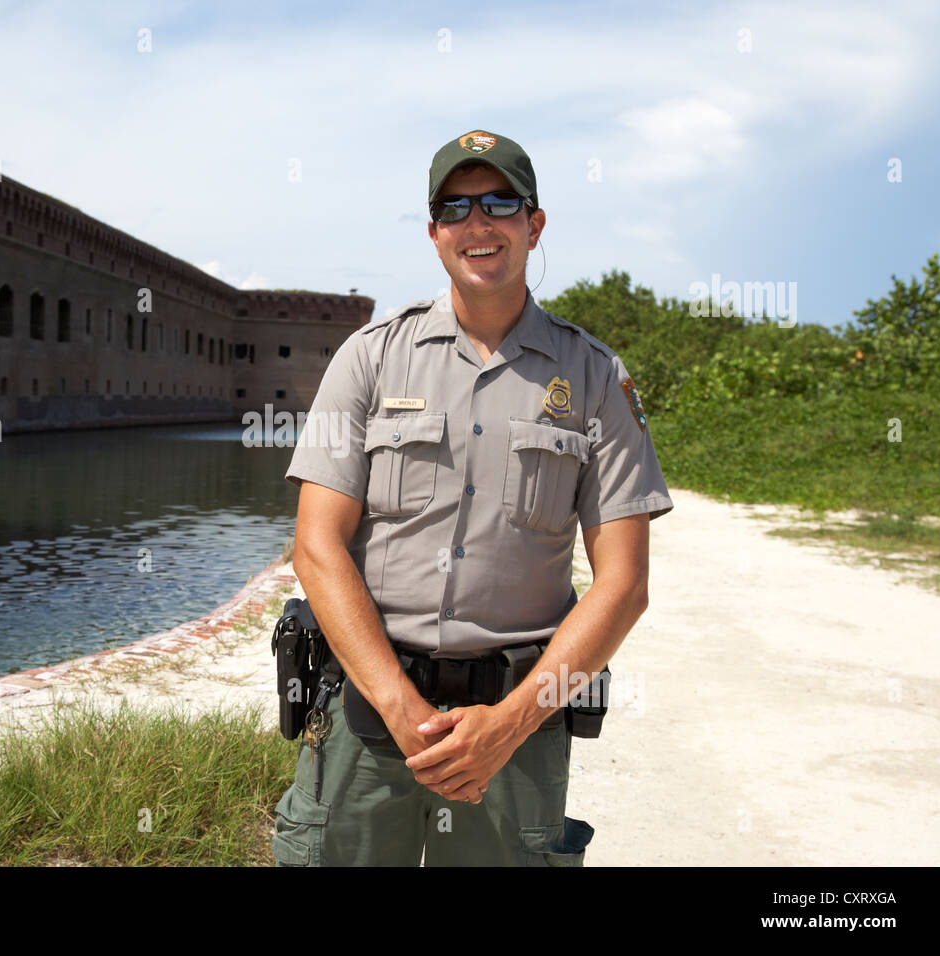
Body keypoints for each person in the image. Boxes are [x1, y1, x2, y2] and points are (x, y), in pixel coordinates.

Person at [271, 129, 673, 866]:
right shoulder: (368, 357)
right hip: (366, 716)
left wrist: (509, 725)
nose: (477, 223)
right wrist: (402, 710)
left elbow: (624, 585)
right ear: (434, 233)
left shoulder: (592, 378)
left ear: (534, 223)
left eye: (499, 202)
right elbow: (316, 548)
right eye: (455, 207)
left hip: (517, 732)